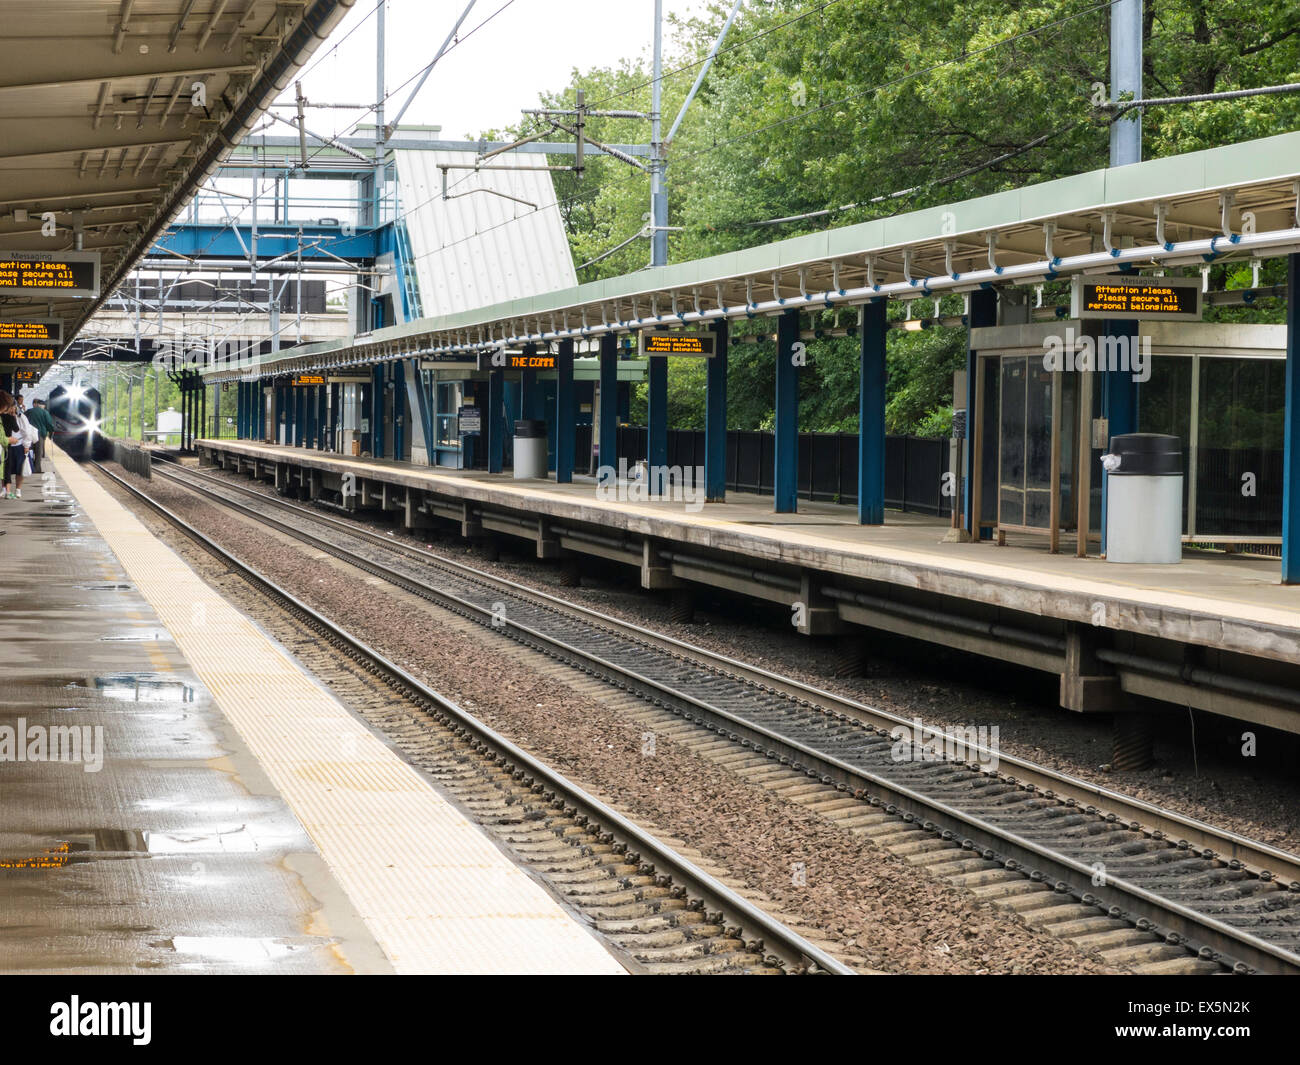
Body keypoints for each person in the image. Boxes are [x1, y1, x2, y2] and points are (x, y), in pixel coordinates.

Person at [0, 391, 24, 499]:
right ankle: (7, 490)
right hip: (6, 446)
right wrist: (8, 439)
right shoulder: (10, 417)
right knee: (7, 467)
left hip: (5, 446)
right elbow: (16, 429)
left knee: (4, 468)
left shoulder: (2, 417)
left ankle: (4, 489)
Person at [25, 397, 53, 475]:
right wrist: (51, 430)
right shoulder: (45, 412)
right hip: (40, 434)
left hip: (29, 434)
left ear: (36, 404)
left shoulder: (29, 411)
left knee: (27, 450)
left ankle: (28, 467)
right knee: (38, 452)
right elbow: (49, 424)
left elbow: (23, 420)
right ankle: (37, 469)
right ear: (42, 405)